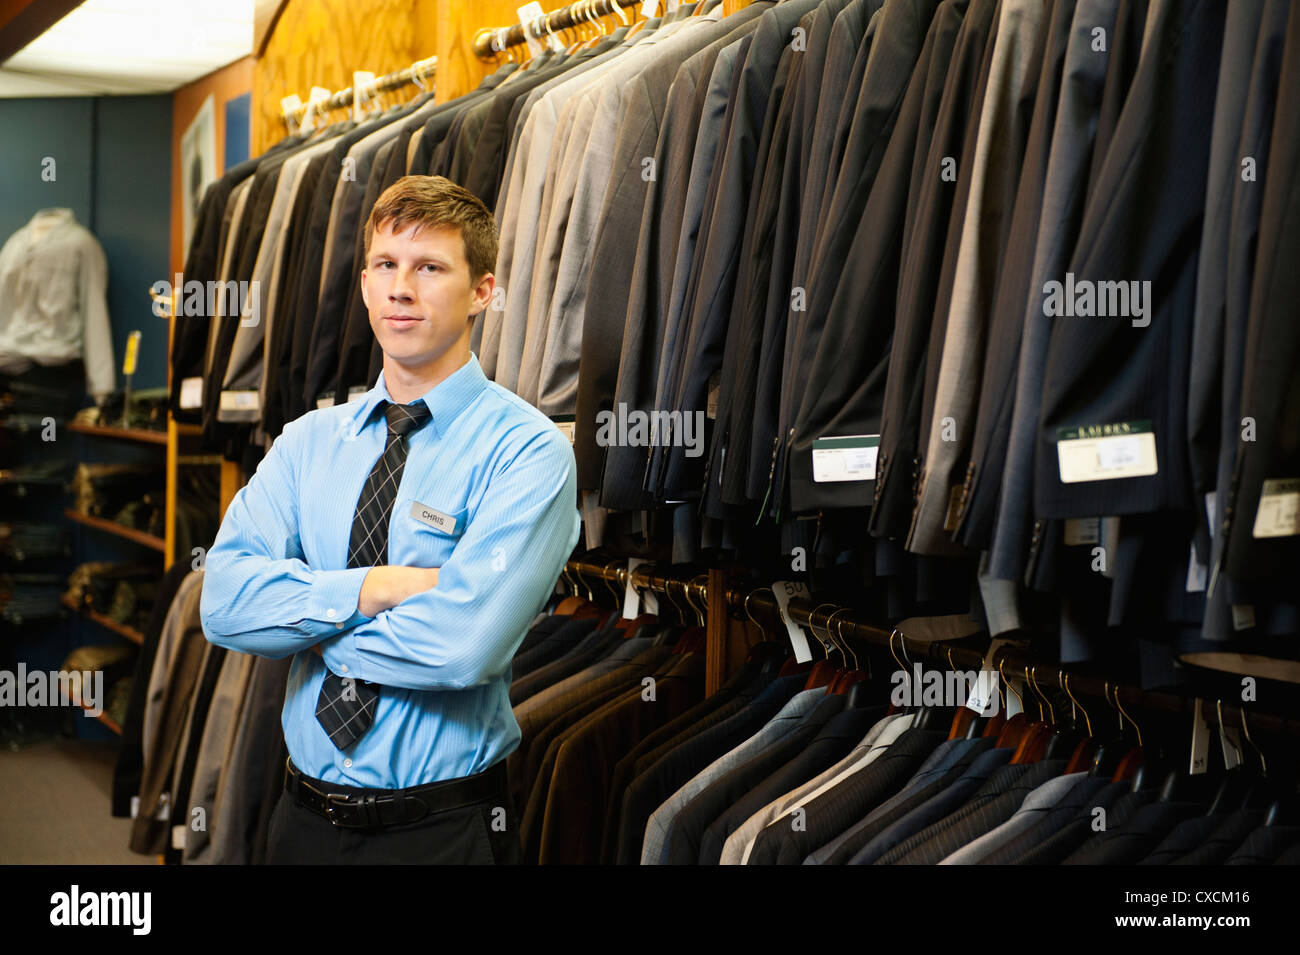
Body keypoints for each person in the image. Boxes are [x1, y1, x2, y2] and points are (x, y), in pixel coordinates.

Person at [200, 174, 580, 864]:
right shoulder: (307, 442)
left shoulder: (529, 451)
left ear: (483, 291)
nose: (401, 288)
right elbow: (224, 604)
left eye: (430, 267)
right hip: (301, 822)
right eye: (385, 265)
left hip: (442, 831)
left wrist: (301, 629)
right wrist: (373, 588)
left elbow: (465, 644)